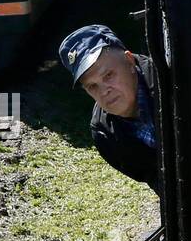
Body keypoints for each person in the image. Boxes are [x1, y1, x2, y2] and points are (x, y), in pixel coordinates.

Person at [58, 24, 162, 198]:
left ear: (129, 61)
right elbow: (157, 181)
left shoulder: (173, 81)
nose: (104, 91)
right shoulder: (104, 135)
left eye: (108, 75)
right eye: (92, 86)